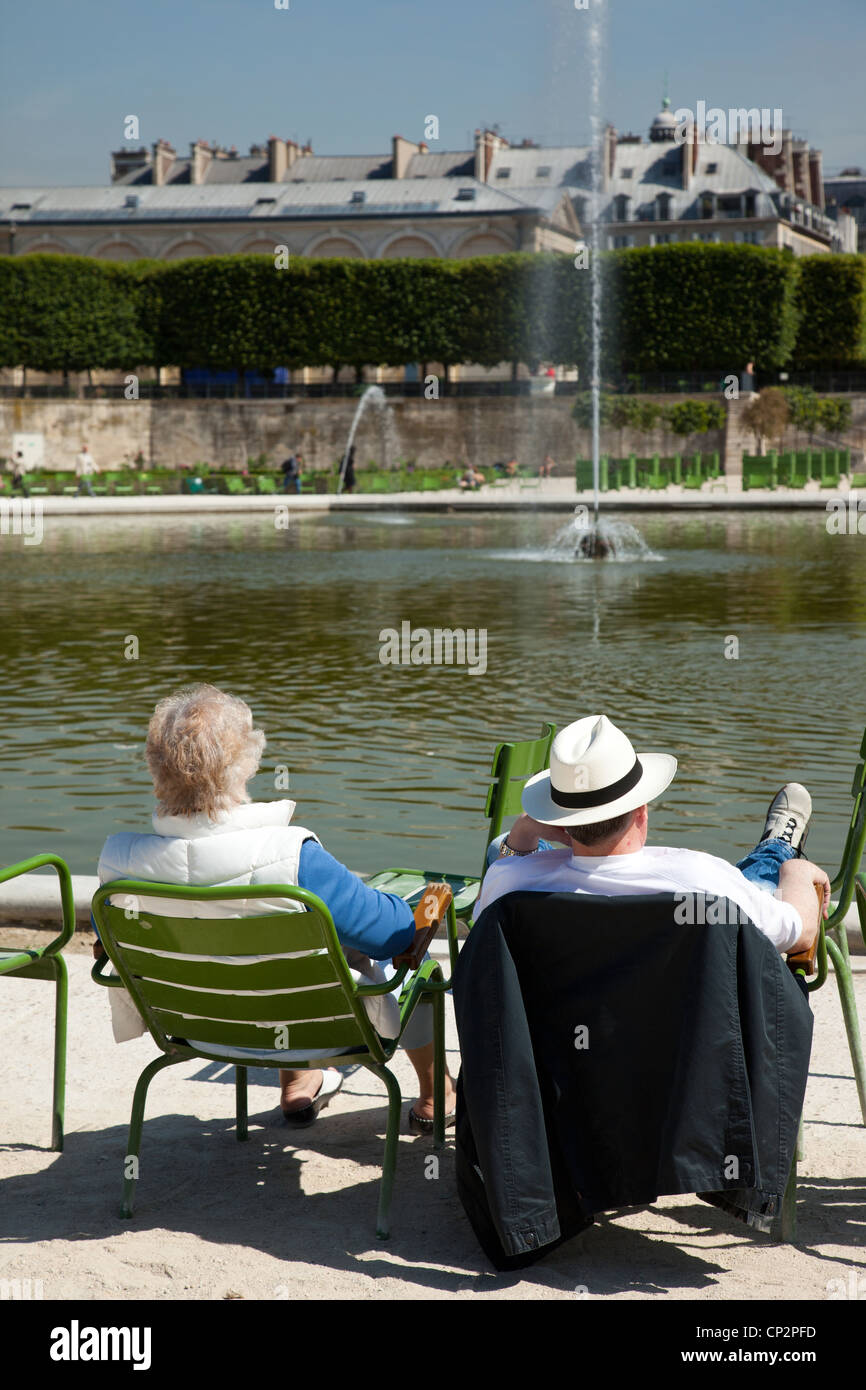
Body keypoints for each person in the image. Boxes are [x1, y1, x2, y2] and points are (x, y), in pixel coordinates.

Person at [93, 684, 456, 1133]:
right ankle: (437, 1090)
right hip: (325, 1028)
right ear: (245, 765)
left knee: (266, 949)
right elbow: (397, 937)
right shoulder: (293, 858)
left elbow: (104, 944)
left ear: (154, 769)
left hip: (196, 1031)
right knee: (416, 969)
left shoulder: (119, 866)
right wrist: (414, 908)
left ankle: (300, 1080)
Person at [476, 714, 827, 960]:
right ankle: (779, 849)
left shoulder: (510, 886)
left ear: (560, 821)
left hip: (552, 1061)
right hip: (679, 1061)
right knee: (760, 888)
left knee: (500, 848)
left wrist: (523, 831)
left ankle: (774, 851)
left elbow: (484, 940)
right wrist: (795, 870)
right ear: (641, 808)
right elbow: (800, 933)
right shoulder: (702, 882)